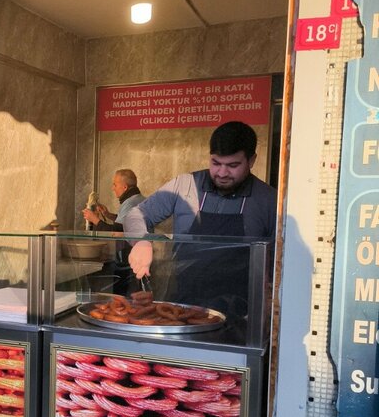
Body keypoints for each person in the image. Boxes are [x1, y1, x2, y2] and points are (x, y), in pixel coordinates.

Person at [122, 121, 276, 314]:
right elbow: (136, 214)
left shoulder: (269, 200)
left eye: (233, 165)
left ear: (251, 160)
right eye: (216, 163)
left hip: (240, 312)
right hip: (182, 305)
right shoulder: (185, 185)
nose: (222, 172)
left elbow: (277, 265)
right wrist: (142, 241)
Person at [82, 169, 145, 294]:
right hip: (140, 256)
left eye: (115, 184)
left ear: (125, 187)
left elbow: (116, 231)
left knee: (124, 297)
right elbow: (126, 224)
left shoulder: (129, 202)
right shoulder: (139, 199)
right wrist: (108, 215)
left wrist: (94, 219)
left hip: (128, 259)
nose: (113, 188)